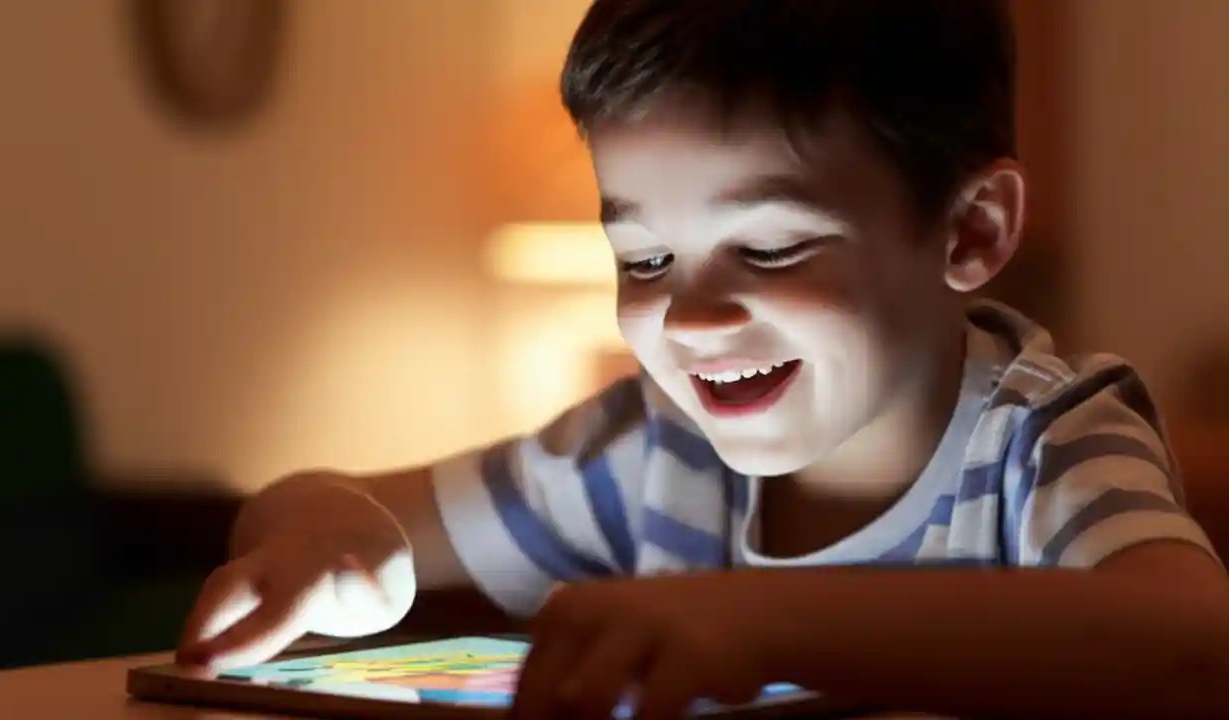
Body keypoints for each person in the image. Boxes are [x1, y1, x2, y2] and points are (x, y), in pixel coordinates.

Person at [176, 1, 1229, 717]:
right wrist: (333, 551)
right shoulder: (644, 452)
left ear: (969, 230)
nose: (689, 317)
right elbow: (316, 504)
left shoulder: (1042, 441)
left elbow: (1189, 639)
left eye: (768, 247)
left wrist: (759, 624)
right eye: (642, 257)